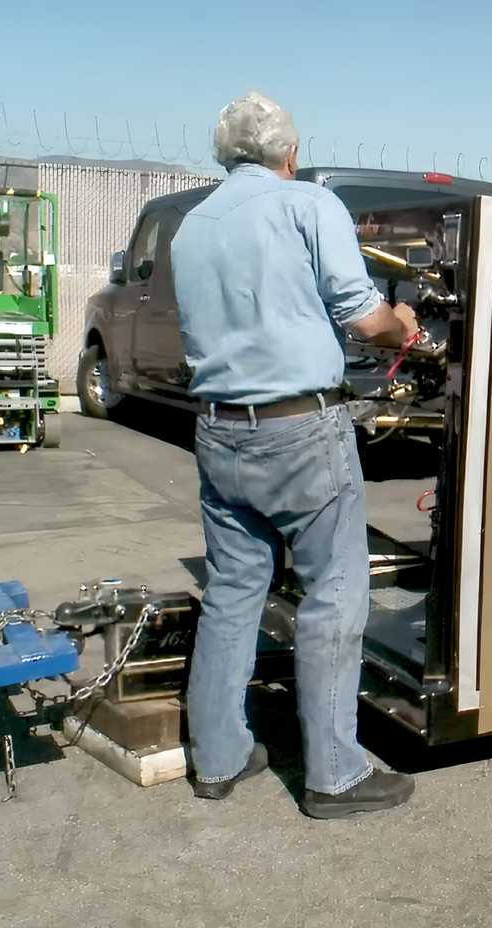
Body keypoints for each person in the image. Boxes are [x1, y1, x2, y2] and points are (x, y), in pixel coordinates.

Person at [170, 91, 417, 819]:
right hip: (302, 432)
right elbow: (360, 313)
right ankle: (333, 775)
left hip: (219, 430)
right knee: (334, 596)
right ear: (289, 153)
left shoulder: (192, 227)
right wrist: (400, 323)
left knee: (234, 592)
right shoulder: (308, 207)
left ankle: (217, 759)